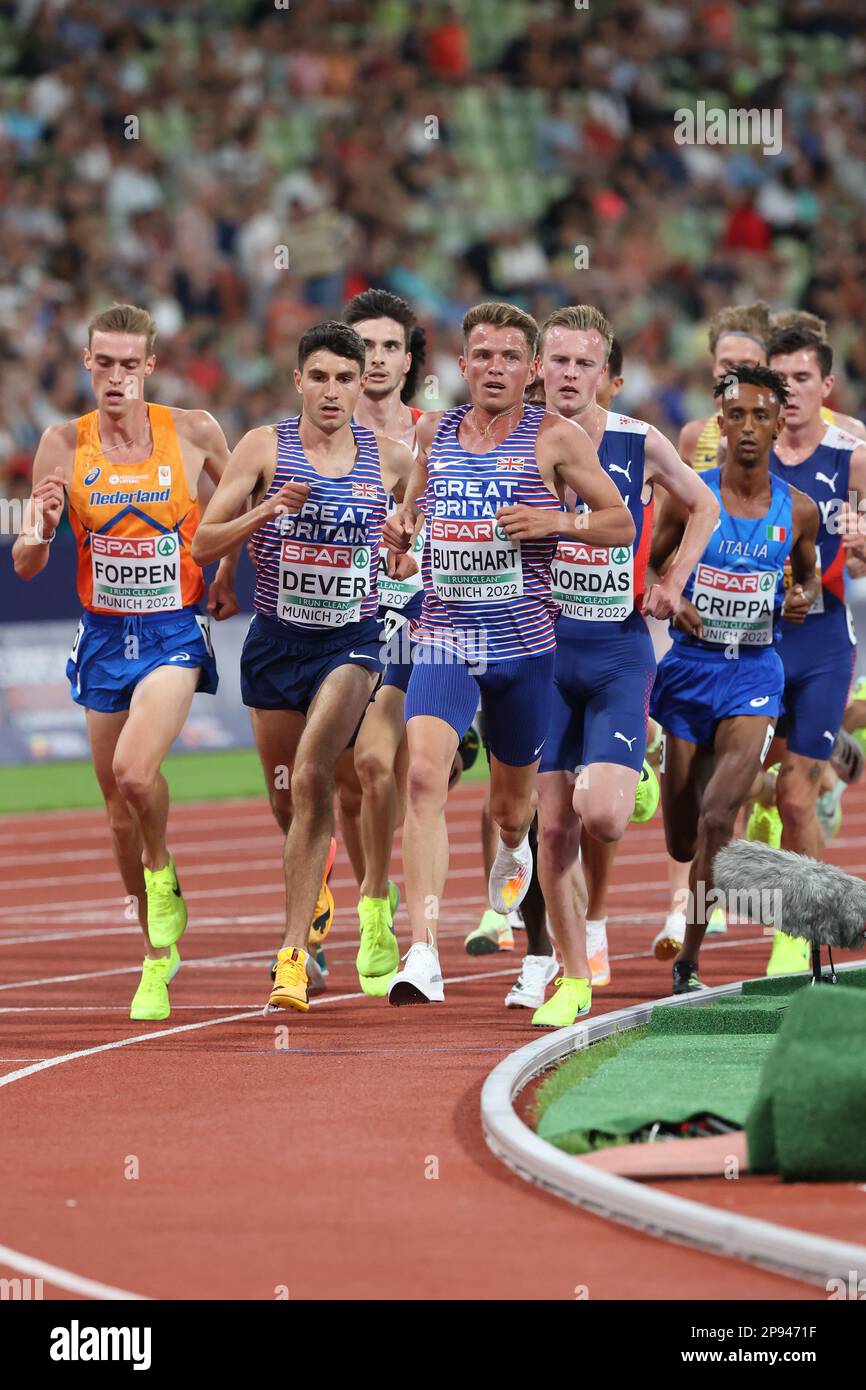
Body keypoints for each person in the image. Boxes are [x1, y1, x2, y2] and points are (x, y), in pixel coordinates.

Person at [382, 300, 634, 1006]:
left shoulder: (554, 439)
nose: (494, 368)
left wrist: (557, 520)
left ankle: (516, 851)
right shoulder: (434, 432)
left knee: (509, 810)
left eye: (509, 358)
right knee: (425, 778)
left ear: (530, 371)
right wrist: (401, 541)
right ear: (461, 366)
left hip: (525, 648)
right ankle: (423, 950)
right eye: (482, 356)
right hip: (444, 635)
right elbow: (410, 523)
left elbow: (619, 522)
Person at [12, 303, 236, 1022]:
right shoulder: (60, 443)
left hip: (172, 630)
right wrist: (39, 533)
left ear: (149, 367)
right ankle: (154, 954)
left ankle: (163, 867)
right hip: (103, 637)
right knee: (114, 813)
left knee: (136, 773)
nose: (115, 376)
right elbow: (25, 565)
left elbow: (243, 500)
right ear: (86, 364)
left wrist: (226, 569)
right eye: (102, 363)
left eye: (128, 365)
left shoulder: (194, 432)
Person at [191, 321, 416, 1013]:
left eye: (345, 378)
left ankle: (291, 956)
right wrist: (265, 511)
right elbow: (202, 544)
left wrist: (402, 545)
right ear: (298, 380)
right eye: (318, 377)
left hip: (351, 642)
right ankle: (312, 891)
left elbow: (409, 548)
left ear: (361, 384)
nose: (332, 390)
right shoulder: (265, 446)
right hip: (275, 645)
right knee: (289, 801)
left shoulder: (394, 458)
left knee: (318, 772)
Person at [527, 305, 718, 1026]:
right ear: (538, 368)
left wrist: (672, 582)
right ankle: (574, 978)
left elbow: (702, 508)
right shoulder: (517, 439)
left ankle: (631, 763)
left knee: (602, 817)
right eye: (559, 361)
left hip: (614, 648)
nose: (569, 375)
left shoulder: (640, 441)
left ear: (607, 375)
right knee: (551, 830)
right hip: (542, 649)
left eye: (584, 363)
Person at [649, 364, 820, 993]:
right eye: (736, 415)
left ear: (779, 423)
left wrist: (799, 597)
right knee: (679, 835)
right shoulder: (691, 497)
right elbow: (648, 569)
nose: (748, 427)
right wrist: (668, 593)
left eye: (760, 415)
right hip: (690, 670)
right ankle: (665, 758)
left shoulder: (798, 511)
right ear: (719, 423)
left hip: (754, 671)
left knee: (720, 819)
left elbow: (806, 579)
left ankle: (689, 958)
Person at [761, 324, 866, 972]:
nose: (790, 391)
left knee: (794, 797)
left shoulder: (852, 456)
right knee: (736, 778)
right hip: (754, 635)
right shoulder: (745, 455)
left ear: (824, 386)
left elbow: (862, 562)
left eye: (802, 378)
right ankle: (837, 746)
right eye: (779, 379)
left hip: (824, 638)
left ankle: (798, 934)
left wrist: (862, 543)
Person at [333, 288, 426, 992]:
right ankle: (368, 887)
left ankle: (375, 905)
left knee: (376, 766)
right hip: (335, 616)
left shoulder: (437, 433)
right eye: (364, 345)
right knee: (344, 779)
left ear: (408, 357)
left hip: (413, 615)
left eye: (391, 345)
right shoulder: (321, 434)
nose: (377, 358)